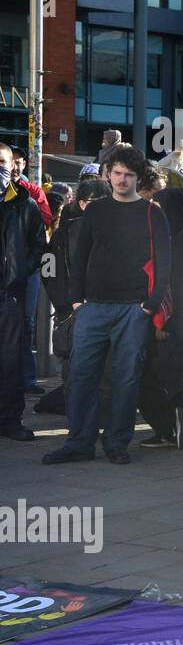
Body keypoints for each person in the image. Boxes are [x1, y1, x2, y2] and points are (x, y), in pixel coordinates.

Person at [44, 145, 171, 465]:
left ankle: (117, 443)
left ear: (137, 177)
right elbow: (80, 255)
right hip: (92, 307)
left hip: (134, 308)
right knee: (82, 376)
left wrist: (149, 306)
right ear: (107, 174)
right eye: (116, 173)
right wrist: (76, 301)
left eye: (128, 174)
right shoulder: (96, 211)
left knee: (126, 378)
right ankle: (79, 442)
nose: (122, 180)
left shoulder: (152, 212)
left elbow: (165, 261)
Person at [37, 178, 111, 416]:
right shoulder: (64, 234)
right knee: (75, 370)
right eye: (94, 202)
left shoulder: (120, 231)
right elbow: (49, 270)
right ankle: (79, 420)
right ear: (81, 204)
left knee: (107, 369)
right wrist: (65, 304)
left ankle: (101, 414)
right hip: (72, 315)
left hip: (108, 312)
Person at [137, 188, 183, 448]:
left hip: (172, 316)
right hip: (178, 314)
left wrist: (161, 321)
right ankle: (175, 424)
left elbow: (174, 282)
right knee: (172, 372)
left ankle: (170, 427)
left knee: (161, 372)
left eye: (160, 204)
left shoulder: (182, 238)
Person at [0, 143, 46, 441]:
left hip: (8, 294)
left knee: (10, 361)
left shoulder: (24, 203)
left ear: (13, 164)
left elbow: (40, 245)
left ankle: (9, 421)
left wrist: (19, 274)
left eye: (2, 161)